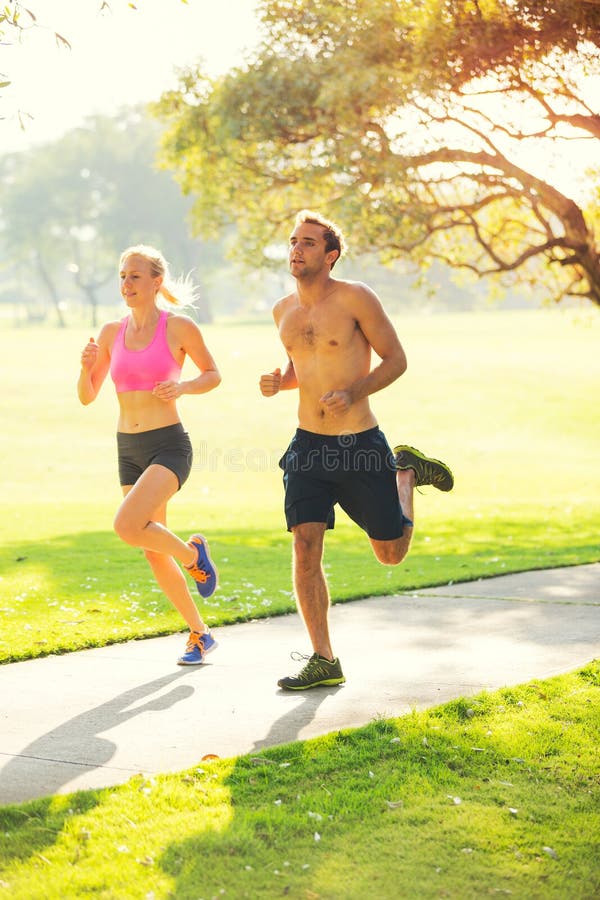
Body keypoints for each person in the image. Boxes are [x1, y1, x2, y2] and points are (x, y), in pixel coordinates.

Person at [260, 210, 454, 691]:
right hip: (308, 447)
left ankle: (405, 474)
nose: (297, 249)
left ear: (330, 255)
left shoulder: (355, 298)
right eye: (293, 241)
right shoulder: (282, 311)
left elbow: (397, 359)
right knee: (305, 546)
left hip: (359, 444)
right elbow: (303, 368)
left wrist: (354, 392)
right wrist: (276, 381)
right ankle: (324, 658)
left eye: (308, 242)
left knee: (390, 554)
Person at [78, 244, 221, 666]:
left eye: (135, 276)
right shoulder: (110, 333)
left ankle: (195, 557)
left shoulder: (178, 328)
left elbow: (213, 373)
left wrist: (183, 387)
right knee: (152, 548)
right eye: (122, 276)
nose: (127, 284)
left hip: (168, 446)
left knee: (127, 525)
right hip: (129, 448)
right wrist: (84, 367)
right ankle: (200, 634)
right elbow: (88, 396)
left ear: (156, 282)